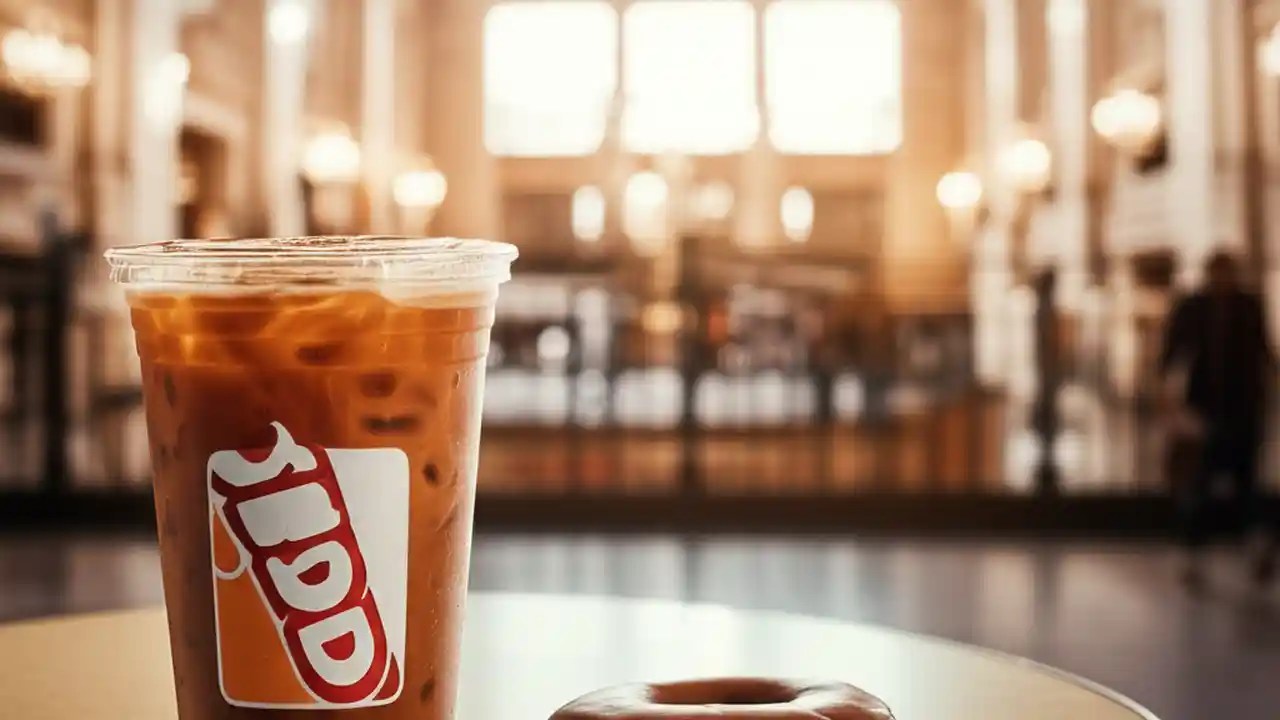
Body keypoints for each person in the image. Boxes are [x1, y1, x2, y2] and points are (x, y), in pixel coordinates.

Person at [1160, 251, 1275, 586]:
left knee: (1246, 483)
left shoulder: (1248, 307)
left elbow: (1263, 351)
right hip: (1205, 411)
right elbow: (1174, 350)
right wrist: (1170, 397)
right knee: (1200, 484)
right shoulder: (1195, 308)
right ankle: (1193, 555)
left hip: (1243, 409)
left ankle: (1254, 547)